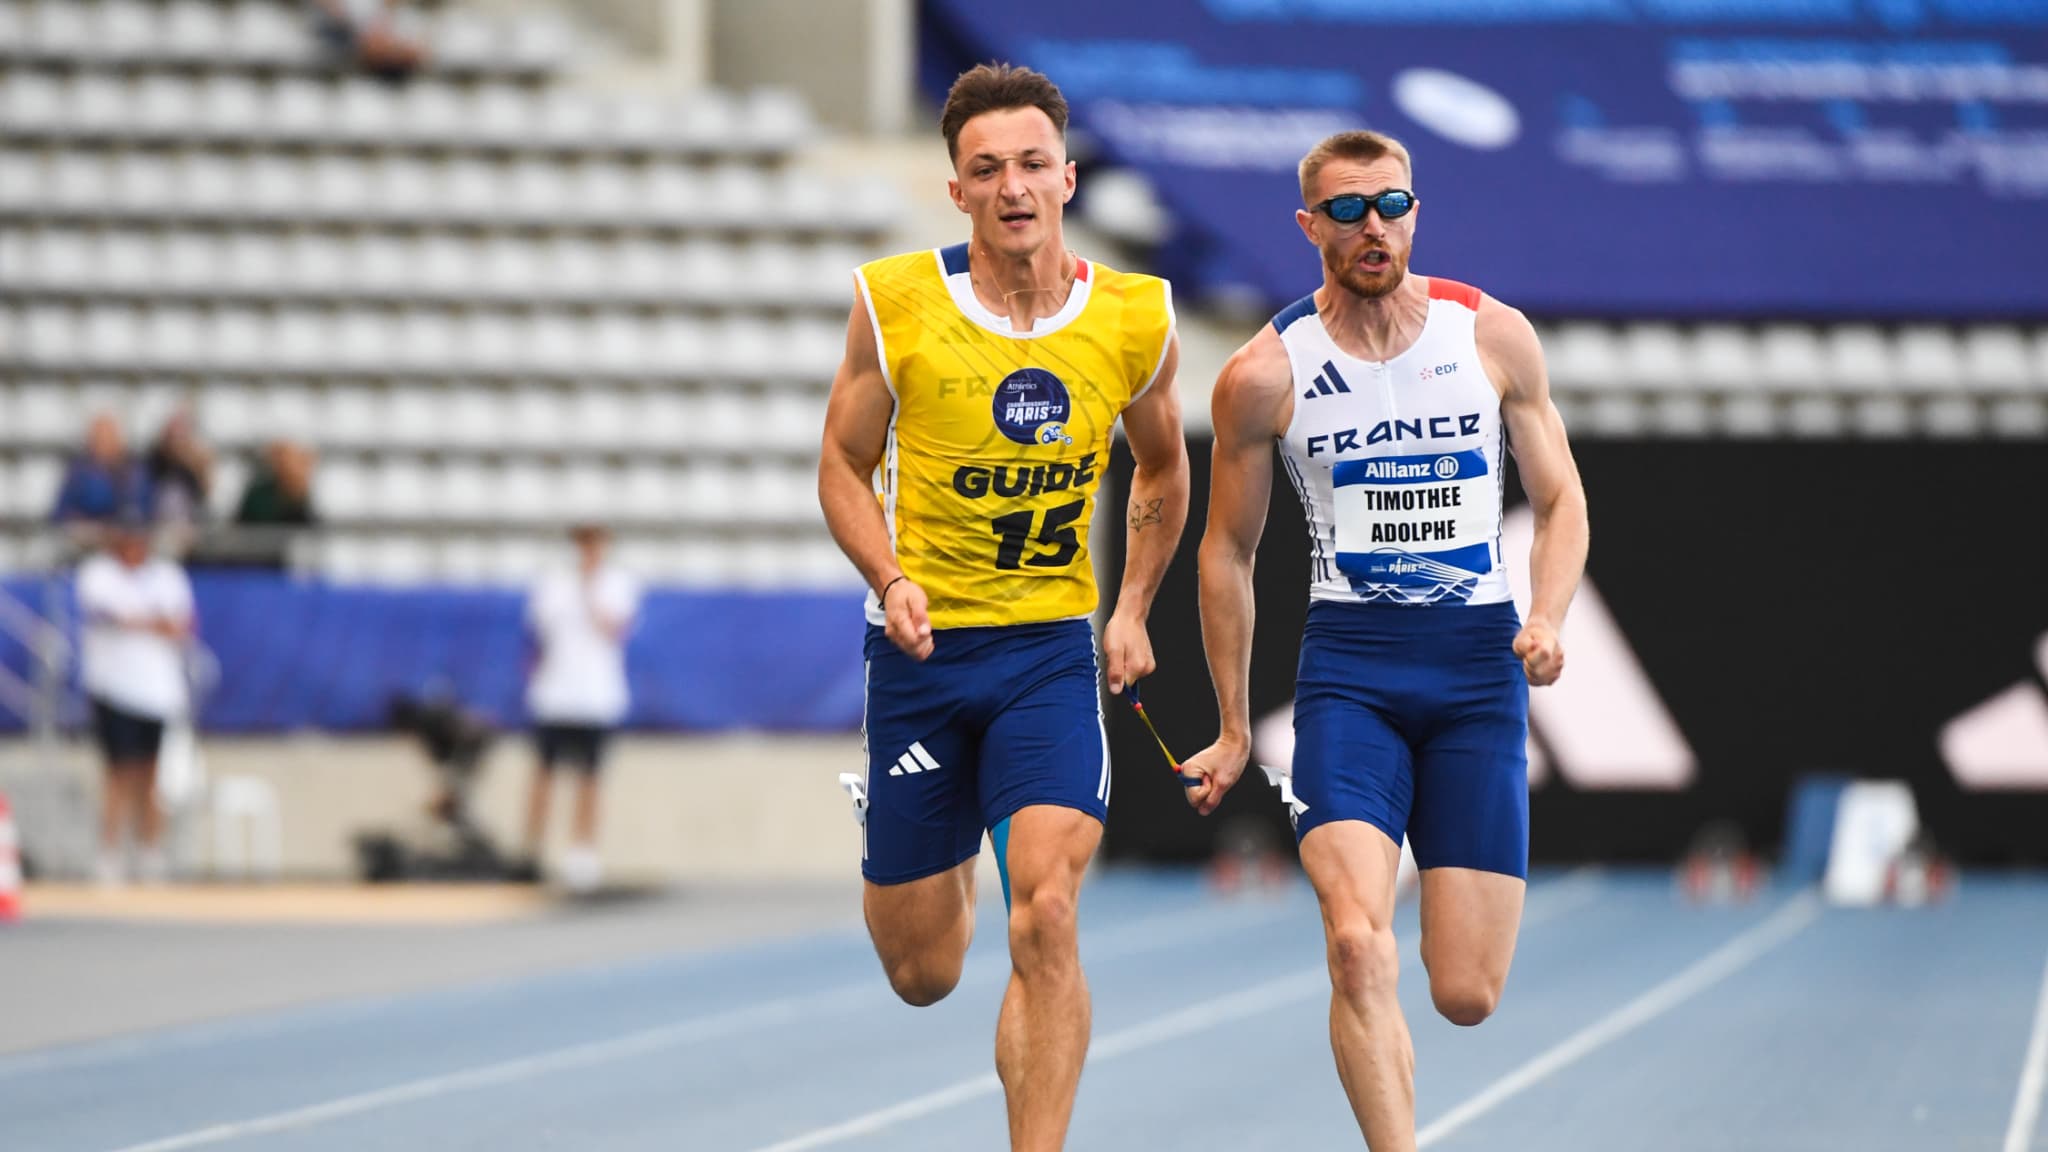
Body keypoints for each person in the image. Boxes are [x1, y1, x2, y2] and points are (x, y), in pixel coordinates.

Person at [1177, 130, 1589, 1151]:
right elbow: (1224, 552)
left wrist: (1545, 616)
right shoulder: (1262, 374)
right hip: (1349, 681)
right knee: (1357, 948)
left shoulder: (1490, 335)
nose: (1374, 227)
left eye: (1392, 205)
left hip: (1474, 679)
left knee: (1462, 992)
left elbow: (1561, 496)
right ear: (1308, 225)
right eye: (1350, 210)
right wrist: (1233, 726)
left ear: (1415, 211)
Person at [817, 63, 1188, 1151]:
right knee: (924, 971)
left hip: (1045, 654)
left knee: (1047, 911)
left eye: (1031, 164)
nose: (1012, 186)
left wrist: (1130, 609)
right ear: (957, 191)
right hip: (922, 658)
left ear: (1067, 177)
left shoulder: (1133, 316)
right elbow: (842, 466)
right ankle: (904, 832)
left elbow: (1160, 473)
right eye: (987, 169)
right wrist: (890, 579)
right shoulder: (894, 305)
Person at [75, 517, 198, 885]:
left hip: (157, 692)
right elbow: (112, 616)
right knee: (118, 774)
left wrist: (144, 622)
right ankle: (110, 852)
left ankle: (149, 852)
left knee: (152, 775)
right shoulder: (98, 573)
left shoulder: (166, 575)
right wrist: (152, 622)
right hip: (114, 688)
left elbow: (181, 626)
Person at [522, 524, 639, 893]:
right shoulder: (553, 584)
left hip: (596, 697)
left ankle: (582, 853)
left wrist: (589, 590)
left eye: (596, 544)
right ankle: (531, 851)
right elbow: (538, 633)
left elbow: (614, 630)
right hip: (555, 695)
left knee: (590, 777)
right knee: (544, 773)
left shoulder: (618, 584)